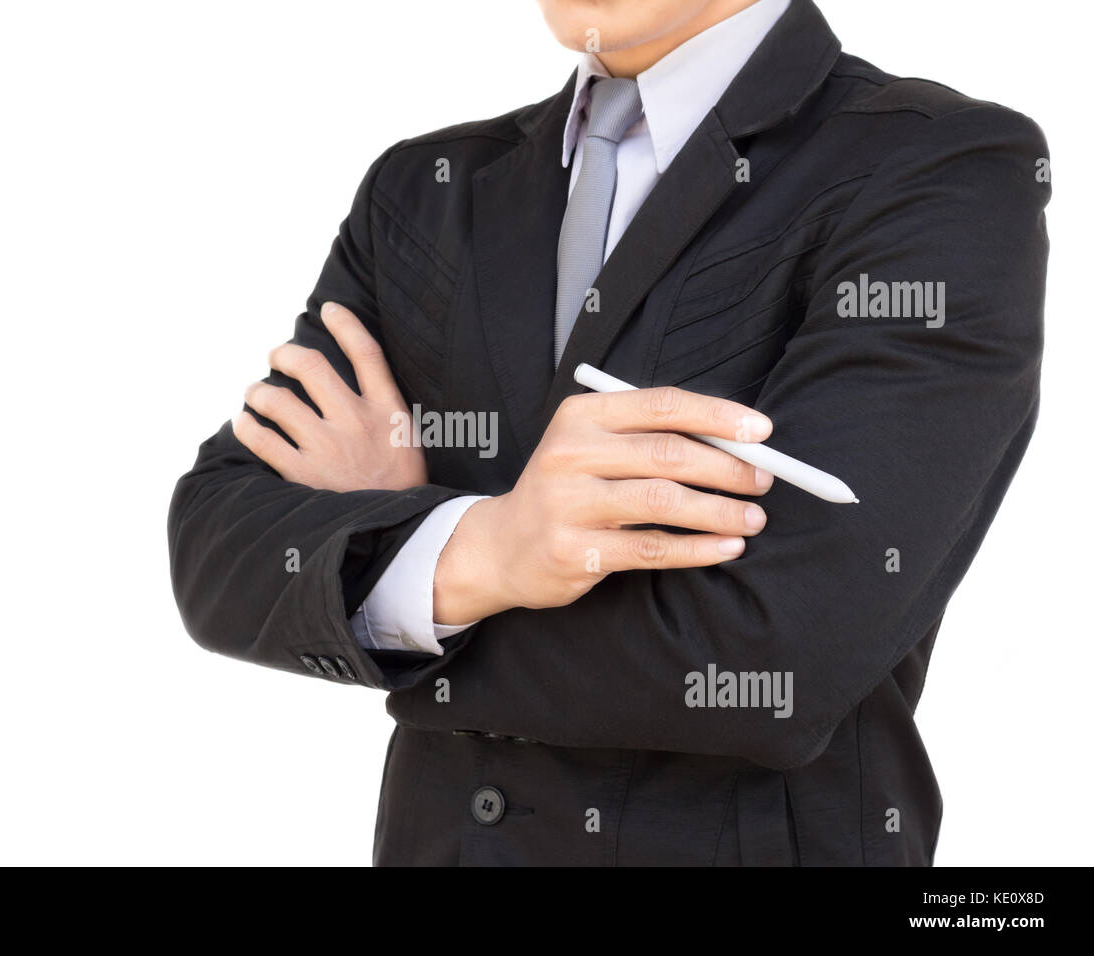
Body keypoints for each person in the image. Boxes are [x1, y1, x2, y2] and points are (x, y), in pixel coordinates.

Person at [167, 0, 1049, 865]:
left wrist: (407, 559)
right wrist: (484, 546)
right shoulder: (426, 186)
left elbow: (773, 660)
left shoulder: (939, 166)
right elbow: (218, 552)